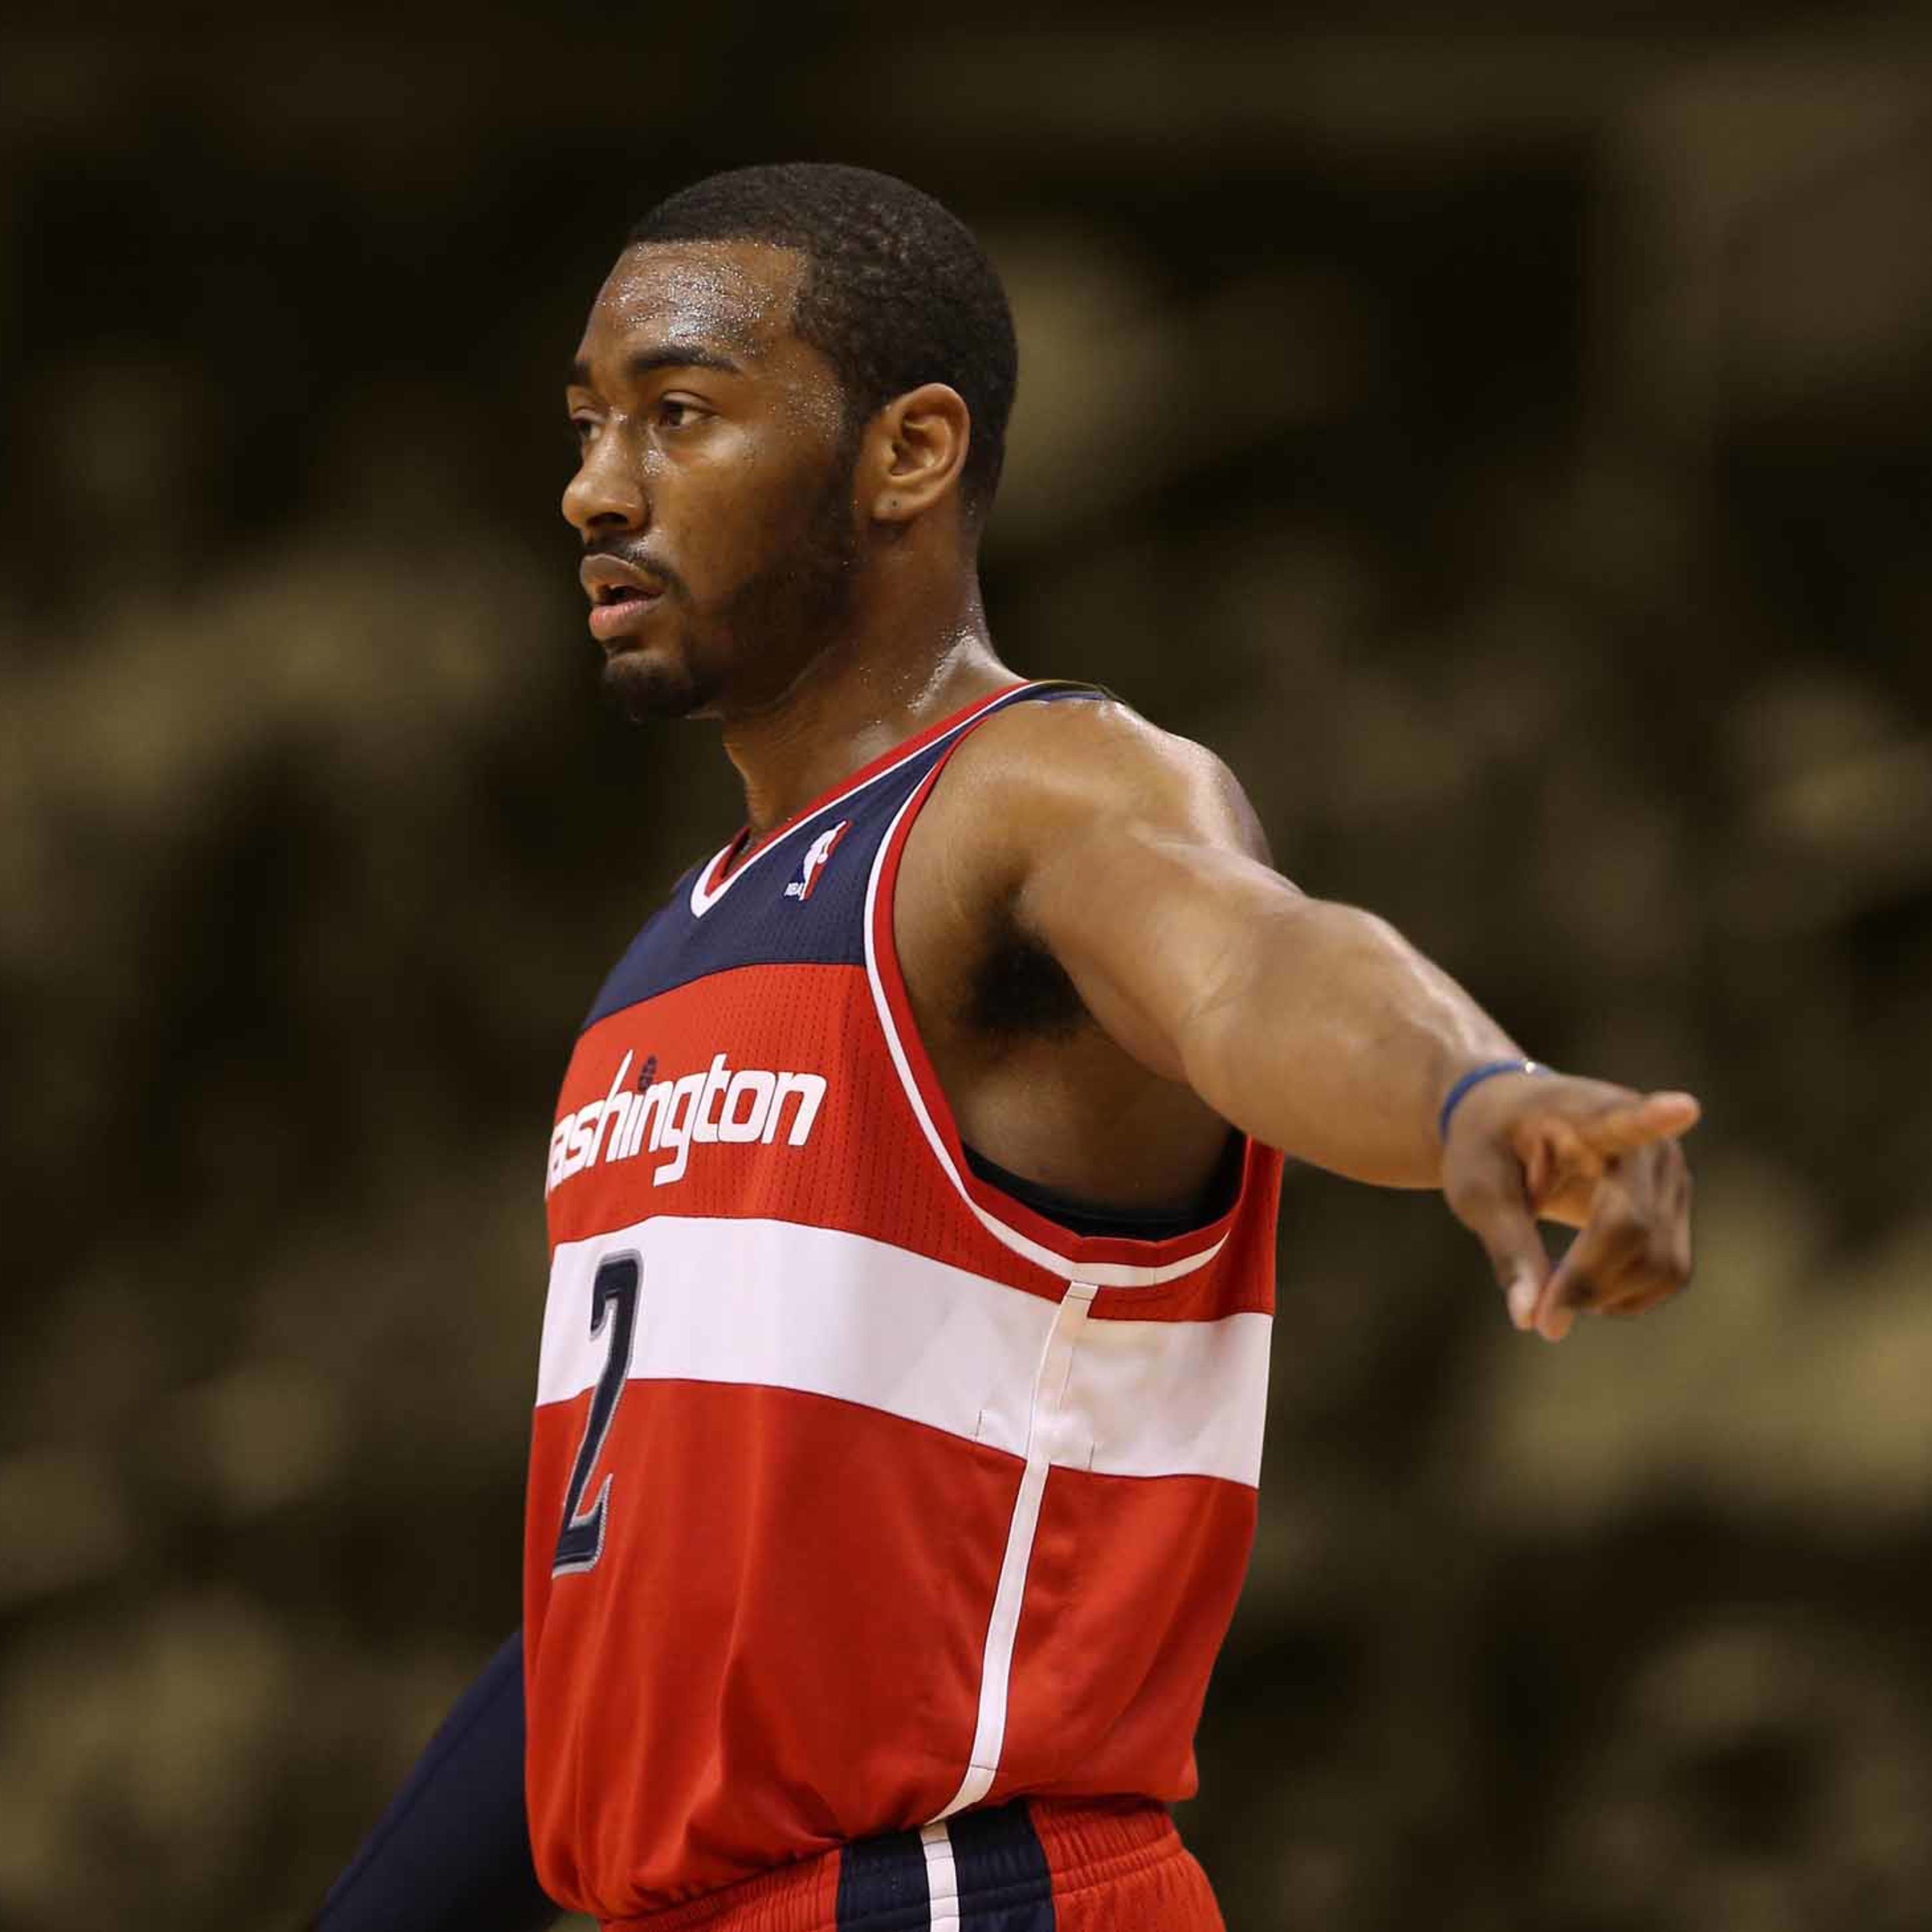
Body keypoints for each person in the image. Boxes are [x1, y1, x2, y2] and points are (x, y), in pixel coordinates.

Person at [313, 162, 1697, 1932]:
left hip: (957, 1892)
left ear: (910, 453)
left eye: (680, 414)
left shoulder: (1032, 795)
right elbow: (635, 1601)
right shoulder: (665, 961)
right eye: (588, 425)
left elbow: (1249, 962)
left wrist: (1471, 1090)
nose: (597, 487)